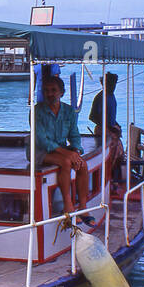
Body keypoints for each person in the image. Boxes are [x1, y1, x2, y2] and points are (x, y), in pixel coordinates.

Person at [34, 74, 88, 217]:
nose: (49, 94)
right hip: (39, 151)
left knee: (82, 164)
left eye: (53, 90)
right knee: (65, 162)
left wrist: (75, 150)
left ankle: (83, 207)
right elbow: (42, 140)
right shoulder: (37, 111)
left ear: (61, 93)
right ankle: (68, 205)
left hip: (60, 150)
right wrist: (67, 154)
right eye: (46, 90)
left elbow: (74, 134)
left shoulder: (69, 111)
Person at [88, 71, 124, 173]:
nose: (111, 86)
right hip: (102, 130)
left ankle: (114, 174)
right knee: (112, 152)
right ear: (103, 84)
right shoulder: (100, 97)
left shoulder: (111, 96)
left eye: (113, 84)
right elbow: (92, 117)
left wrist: (115, 124)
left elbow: (109, 115)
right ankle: (109, 174)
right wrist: (108, 126)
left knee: (120, 151)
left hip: (110, 129)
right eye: (109, 84)